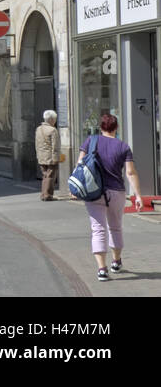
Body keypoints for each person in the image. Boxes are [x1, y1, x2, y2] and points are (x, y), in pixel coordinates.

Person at [75, 113, 145, 281]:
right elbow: (130, 172)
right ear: (117, 128)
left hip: (93, 191)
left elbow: (79, 164)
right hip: (116, 192)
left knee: (98, 229)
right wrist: (138, 196)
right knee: (115, 227)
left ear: (101, 127)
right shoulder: (123, 147)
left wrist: (75, 187)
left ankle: (101, 269)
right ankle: (116, 261)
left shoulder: (90, 141)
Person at [35, 110, 61, 201]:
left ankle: (43, 194)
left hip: (41, 156)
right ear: (51, 119)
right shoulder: (53, 130)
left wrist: (38, 155)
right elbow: (55, 146)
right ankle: (48, 195)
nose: (55, 120)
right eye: (54, 119)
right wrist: (56, 158)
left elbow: (37, 144)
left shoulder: (38, 129)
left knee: (45, 175)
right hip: (50, 156)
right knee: (50, 176)